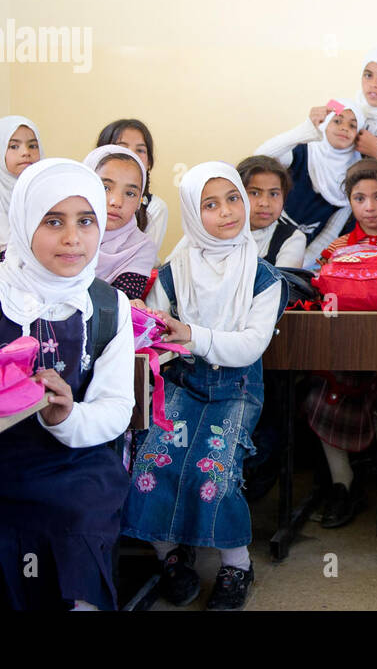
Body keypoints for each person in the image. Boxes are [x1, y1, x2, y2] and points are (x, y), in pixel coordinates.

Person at [0, 159, 135, 610]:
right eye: (53, 221)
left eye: (86, 221)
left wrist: (67, 416)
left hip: (75, 463)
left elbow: (116, 406)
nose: (72, 238)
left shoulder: (107, 305)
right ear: (25, 223)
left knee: (75, 523)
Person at [121, 162, 285, 611]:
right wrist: (143, 318)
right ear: (194, 213)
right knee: (155, 459)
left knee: (214, 467)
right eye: (209, 204)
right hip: (183, 379)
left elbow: (250, 345)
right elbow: (157, 331)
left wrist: (191, 335)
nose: (227, 212)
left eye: (233, 198)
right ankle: (170, 555)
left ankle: (236, 564)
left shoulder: (264, 276)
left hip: (236, 386)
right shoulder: (175, 269)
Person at [306, 159, 377, 537]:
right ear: (349, 202)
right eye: (360, 198)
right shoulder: (335, 248)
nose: (370, 207)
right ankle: (341, 483)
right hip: (344, 351)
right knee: (319, 389)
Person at [255, 100, 368, 266]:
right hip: (261, 243)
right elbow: (261, 158)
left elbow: (329, 234)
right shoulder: (302, 152)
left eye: (352, 126)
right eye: (337, 121)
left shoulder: (354, 178)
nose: (344, 128)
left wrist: (298, 267)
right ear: (325, 123)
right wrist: (306, 129)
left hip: (298, 257)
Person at [82, 146, 158, 300]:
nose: (116, 202)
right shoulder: (63, 232)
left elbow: (118, 302)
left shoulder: (140, 247)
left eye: (130, 193)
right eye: (105, 187)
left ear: (139, 202)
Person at [96, 119, 169, 251]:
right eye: (122, 148)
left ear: (149, 163)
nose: (132, 155)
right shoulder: (79, 200)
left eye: (140, 150)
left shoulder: (155, 208)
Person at [0, 115, 42, 260]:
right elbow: (15, 257)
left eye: (33, 146)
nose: (26, 152)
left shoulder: (47, 192)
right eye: (14, 146)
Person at [236, 155, 305, 267]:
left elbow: (282, 283)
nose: (265, 203)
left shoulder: (292, 238)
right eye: (254, 193)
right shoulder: (220, 231)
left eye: (273, 194)